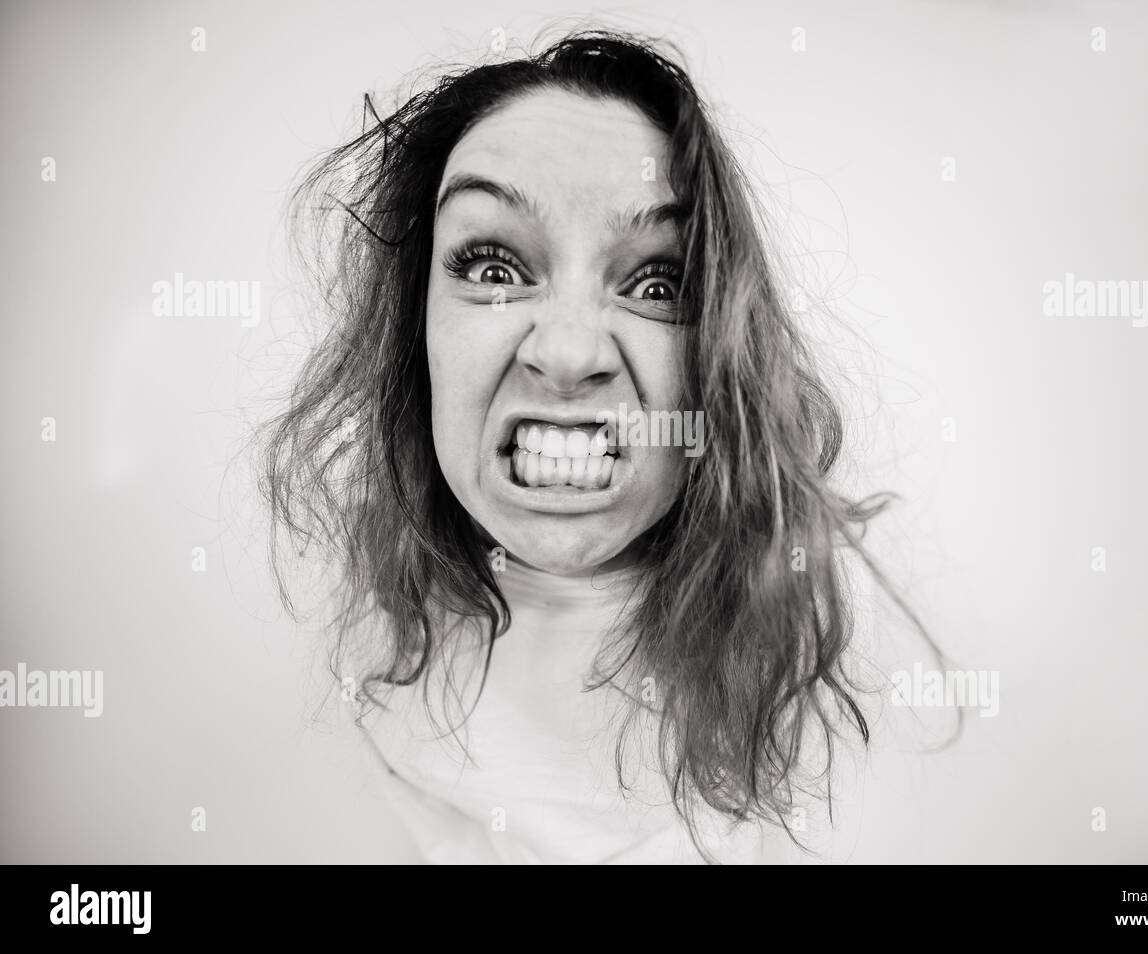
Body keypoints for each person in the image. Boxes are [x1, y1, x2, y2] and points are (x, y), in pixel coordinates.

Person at [263, 29, 897, 864]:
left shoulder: (837, 693)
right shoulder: (365, 652)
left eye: (658, 283)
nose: (565, 355)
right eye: (491, 267)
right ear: (413, 331)